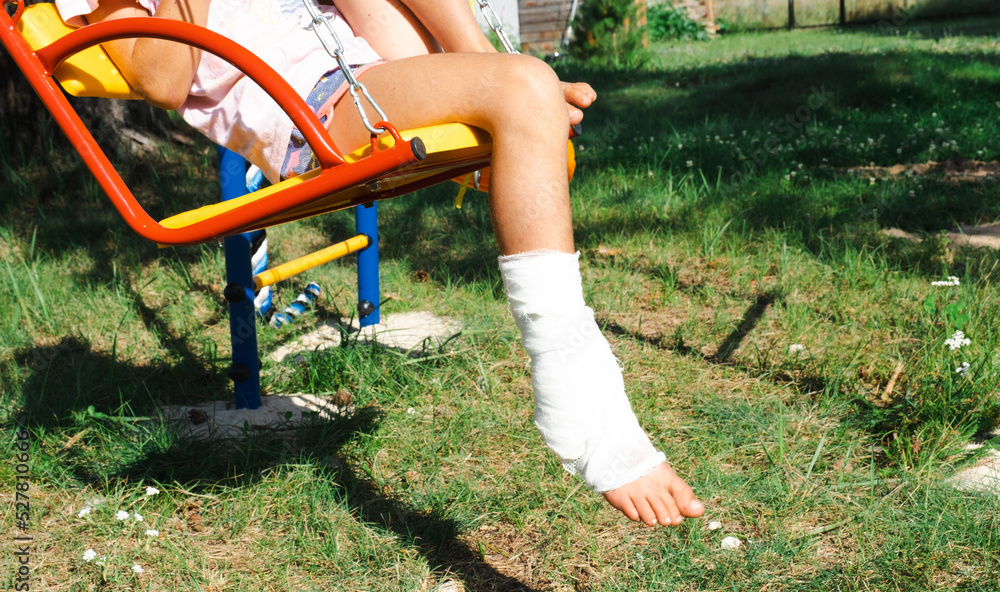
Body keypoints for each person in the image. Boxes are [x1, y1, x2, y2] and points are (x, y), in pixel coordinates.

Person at [59, 0, 705, 527]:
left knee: (522, 87)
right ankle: (583, 403)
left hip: (368, 61)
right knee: (527, 88)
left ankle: (498, 80)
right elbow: (165, 77)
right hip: (318, 107)